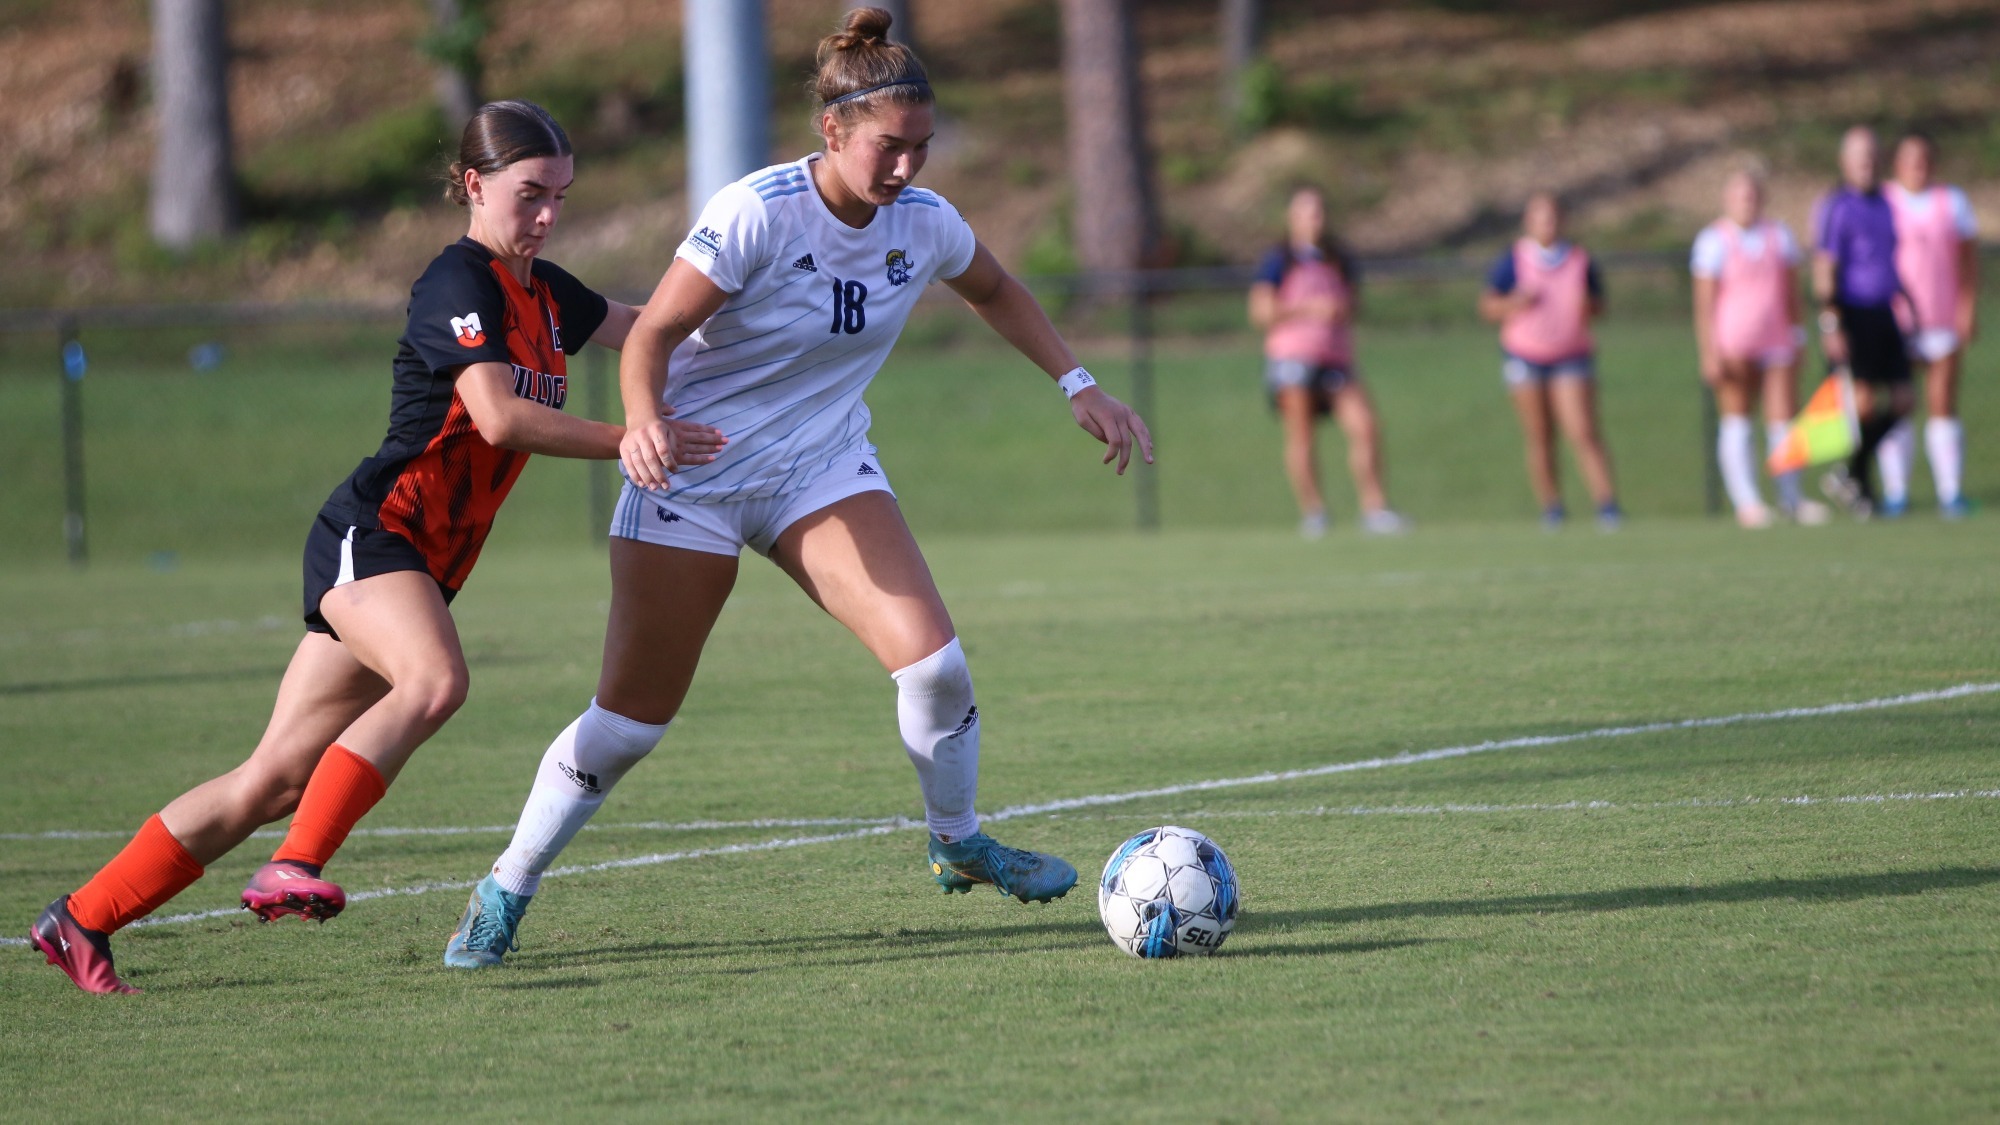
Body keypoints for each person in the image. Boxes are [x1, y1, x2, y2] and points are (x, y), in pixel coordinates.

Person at [440, 8, 1153, 969]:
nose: (906, 168)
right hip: (695, 470)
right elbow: (648, 336)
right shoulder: (758, 211)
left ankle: (958, 840)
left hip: (818, 468)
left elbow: (994, 289)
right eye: (887, 148)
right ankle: (505, 887)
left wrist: (1080, 384)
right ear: (832, 131)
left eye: (922, 147)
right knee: (627, 725)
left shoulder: (925, 223)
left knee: (936, 666)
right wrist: (644, 424)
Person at [27, 101, 724, 995]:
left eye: (561, 195)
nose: (548, 215)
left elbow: (655, 326)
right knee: (434, 682)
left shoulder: (549, 291)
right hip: (376, 532)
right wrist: (633, 436)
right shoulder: (456, 281)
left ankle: (81, 917)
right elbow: (499, 418)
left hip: (424, 561)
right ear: (475, 186)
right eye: (529, 194)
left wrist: (766, 297)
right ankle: (294, 863)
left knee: (273, 775)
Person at [1248, 185, 1406, 538]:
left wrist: (1340, 310)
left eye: (1319, 211)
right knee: (1302, 436)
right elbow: (1261, 312)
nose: (1314, 219)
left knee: (1365, 425)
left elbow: (1353, 304)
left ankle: (1375, 508)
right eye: (1306, 212)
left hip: (1335, 357)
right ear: (1292, 219)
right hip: (1293, 358)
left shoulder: (1339, 258)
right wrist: (1307, 308)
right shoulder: (1279, 259)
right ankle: (1314, 512)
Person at [1690, 170, 1831, 528]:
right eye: (1739, 195)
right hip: (1734, 343)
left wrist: (1799, 335)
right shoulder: (1713, 241)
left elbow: (1791, 294)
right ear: (1727, 200)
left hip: (1777, 340)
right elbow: (1704, 304)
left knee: (1783, 420)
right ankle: (1747, 502)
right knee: (1737, 419)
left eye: (1751, 195)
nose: (1746, 202)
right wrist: (1709, 350)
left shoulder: (1778, 236)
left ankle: (1791, 497)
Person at [1479, 192, 1622, 529]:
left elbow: (1599, 305)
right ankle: (1552, 507)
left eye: (1553, 216)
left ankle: (1607, 505)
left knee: (1583, 430)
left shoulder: (1578, 260)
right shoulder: (1512, 261)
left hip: (1571, 355)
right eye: (1540, 216)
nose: (1547, 223)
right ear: (1528, 221)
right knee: (1540, 435)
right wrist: (1515, 302)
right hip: (1525, 356)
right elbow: (1488, 306)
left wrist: (1588, 306)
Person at [1814, 126, 1914, 518]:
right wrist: (1830, 321)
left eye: (1872, 156)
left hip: (1885, 312)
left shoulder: (1888, 203)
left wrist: (1908, 299)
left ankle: (1851, 474)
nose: (1866, 164)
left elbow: (1886, 260)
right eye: (1859, 157)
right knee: (1865, 404)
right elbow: (1825, 266)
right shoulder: (1837, 206)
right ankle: (1860, 483)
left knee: (1904, 401)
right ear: (1845, 162)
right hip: (1853, 312)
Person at [1879, 132, 1978, 518]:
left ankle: (1950, 492)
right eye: (1909, 159)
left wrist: (1967, 309)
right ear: (1897, 165)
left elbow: (1968, 264)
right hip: (1897, 319)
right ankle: (1896, 492)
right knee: (1900, 404)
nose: (1917, 166)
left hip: (1942, 316)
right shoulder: (1884, 202)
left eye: (1923, 159)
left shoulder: (1951, 202)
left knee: (1942, 404)